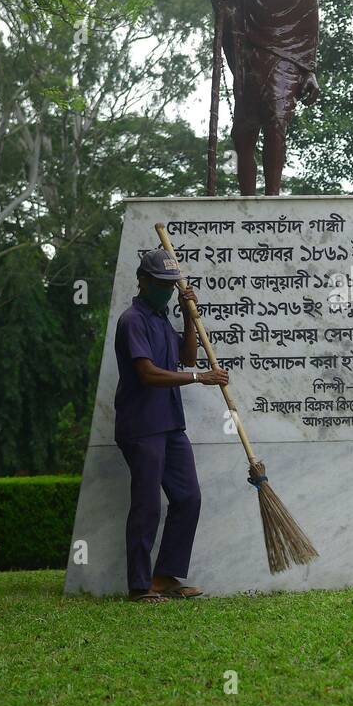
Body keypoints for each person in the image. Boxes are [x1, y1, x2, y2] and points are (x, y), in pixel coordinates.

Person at [113, 247, 228, 601]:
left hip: (170, 425)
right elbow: (147, 374)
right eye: (161, 283)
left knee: (188, 497)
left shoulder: (163, 318)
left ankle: (165, 577)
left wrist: (189, 316)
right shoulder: (132, 320)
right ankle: (138, 585)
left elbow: (187, 356)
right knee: (147, 504)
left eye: (171, 284)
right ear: (143, 282)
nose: (166, 289)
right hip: (142, 426)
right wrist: (199, 378)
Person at [211, 0, 320, 196]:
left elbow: (309, 26)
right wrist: (219, 9)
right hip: (249, 59)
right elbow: (232, 23)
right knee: (243, 132)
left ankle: (272, 197)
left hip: (286, 60)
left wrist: (309, 70)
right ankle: (247, 198)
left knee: (275, 124)